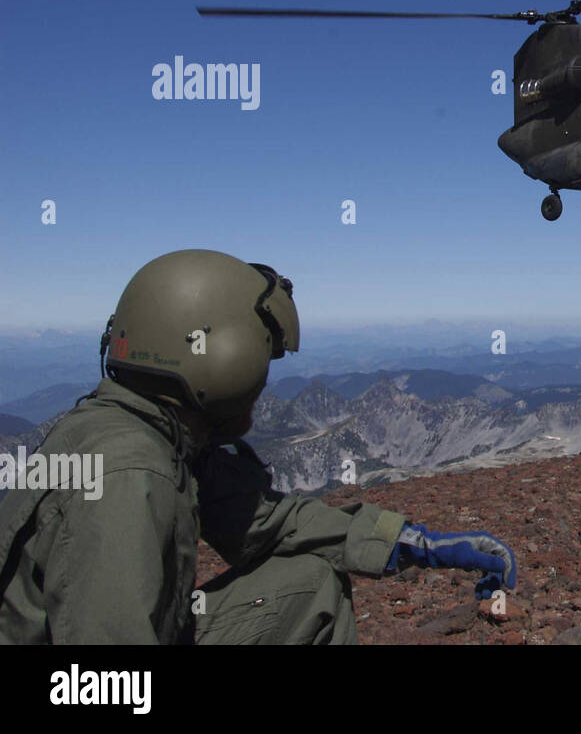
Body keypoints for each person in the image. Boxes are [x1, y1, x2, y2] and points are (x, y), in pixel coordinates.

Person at [0, 249, 516, 644]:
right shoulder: (130, 477)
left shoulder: (155, 436)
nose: (265, 381)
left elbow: (267, 521)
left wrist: (414, 543)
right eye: (261, 362)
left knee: (313, 584)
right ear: (224, 361)